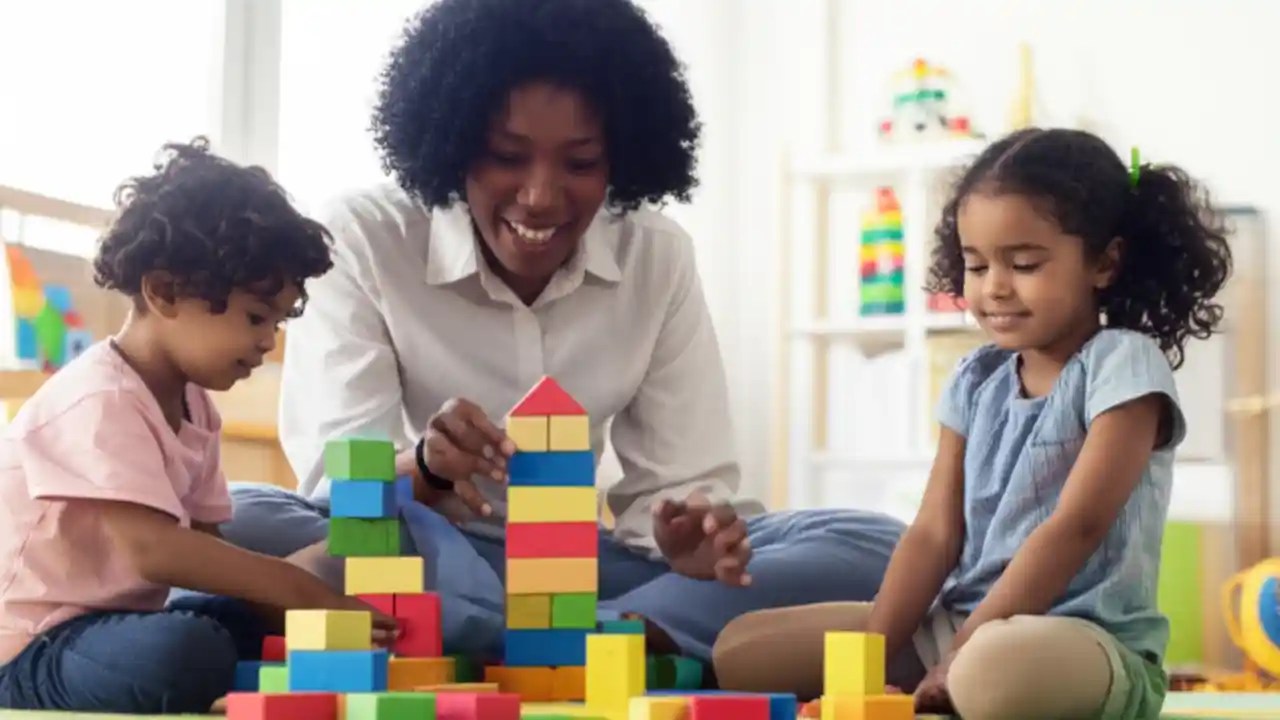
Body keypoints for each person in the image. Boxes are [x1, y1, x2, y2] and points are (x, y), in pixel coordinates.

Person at [219, 0, 907, 666]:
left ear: (622, 160)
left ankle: (565, 638)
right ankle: (607, 644)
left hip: (585, 572)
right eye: (507, 157)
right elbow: (342, 495)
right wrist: (425, 470)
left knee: (874, 544)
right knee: (242, 520)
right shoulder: (367, 237)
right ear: (453, 145)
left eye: (579, 164)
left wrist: (689, 538)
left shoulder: (656, 256)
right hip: (425, 548)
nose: (542, 195)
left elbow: (679, 489)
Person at [712, 127, 1234, 718]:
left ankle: (962, 677)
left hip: (1081, 640)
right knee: (740, 649)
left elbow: (1076, 527)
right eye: (976, 265)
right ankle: (952, 676)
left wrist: (959, 657)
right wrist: (866, 664)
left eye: (1025, 263)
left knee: (991, 672)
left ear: (1105, 262)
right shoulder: (975, 377)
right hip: (958, 623)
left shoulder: (1122, 365)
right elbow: (934, 534)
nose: (995, 288)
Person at [0, 139, 397, 714]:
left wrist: (300, 609)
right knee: (184, 651)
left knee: (247, 625)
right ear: (163, 293)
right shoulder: (99, 397)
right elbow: (153, 551)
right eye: (257, 318)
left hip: (119, 624)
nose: (268, 340)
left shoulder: (195, 405)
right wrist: (297, 589)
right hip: (33, 645)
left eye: (280, 321)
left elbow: (205, 549)